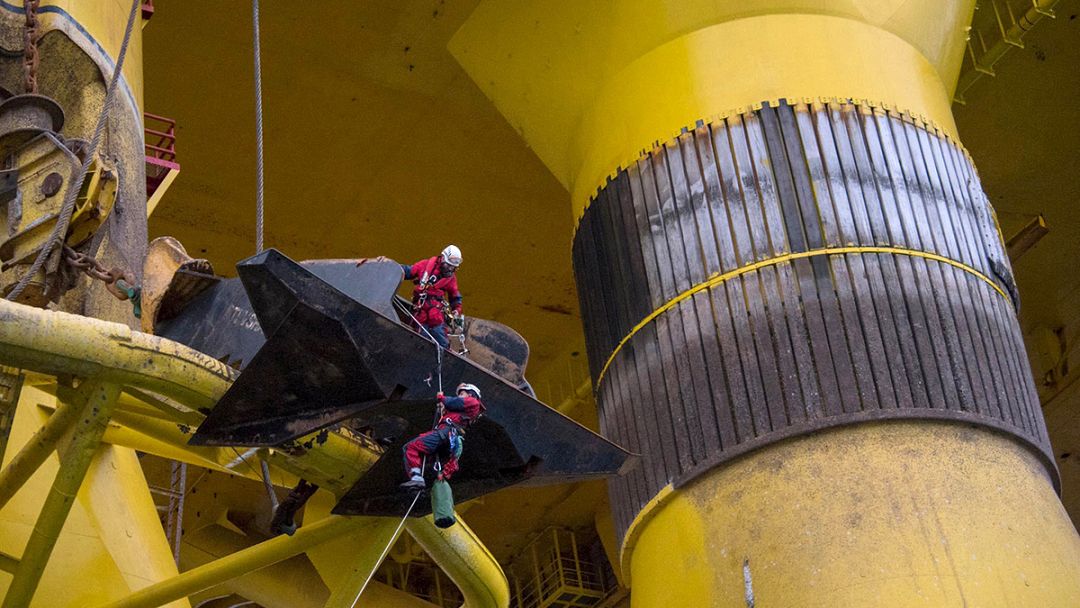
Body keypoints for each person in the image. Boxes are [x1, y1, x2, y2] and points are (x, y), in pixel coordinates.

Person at [401, 382, 485, 489]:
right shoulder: (462, 412)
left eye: (462, 393)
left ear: (471, 394)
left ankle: (417, 478)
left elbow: (455, 402)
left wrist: (442, 398)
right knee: (421, 452)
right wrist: (443, 408)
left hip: (446, 433)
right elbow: (454, 406)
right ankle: (420, 480)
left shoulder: (473, 402)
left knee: (411, 447)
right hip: (446, 436)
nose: (459, 396)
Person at [400, 245, 463, 349]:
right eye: (449, 265)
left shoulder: (450, 279)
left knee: (440, 336)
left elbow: (455, 296)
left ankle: (444, 353)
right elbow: (409, 271)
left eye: (453, 267)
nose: (450, 269)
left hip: (436, 313)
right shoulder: (425, 266)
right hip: (421, 310)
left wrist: (456, 310)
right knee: (421, 337)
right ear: (442, 258)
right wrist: (395, 268)